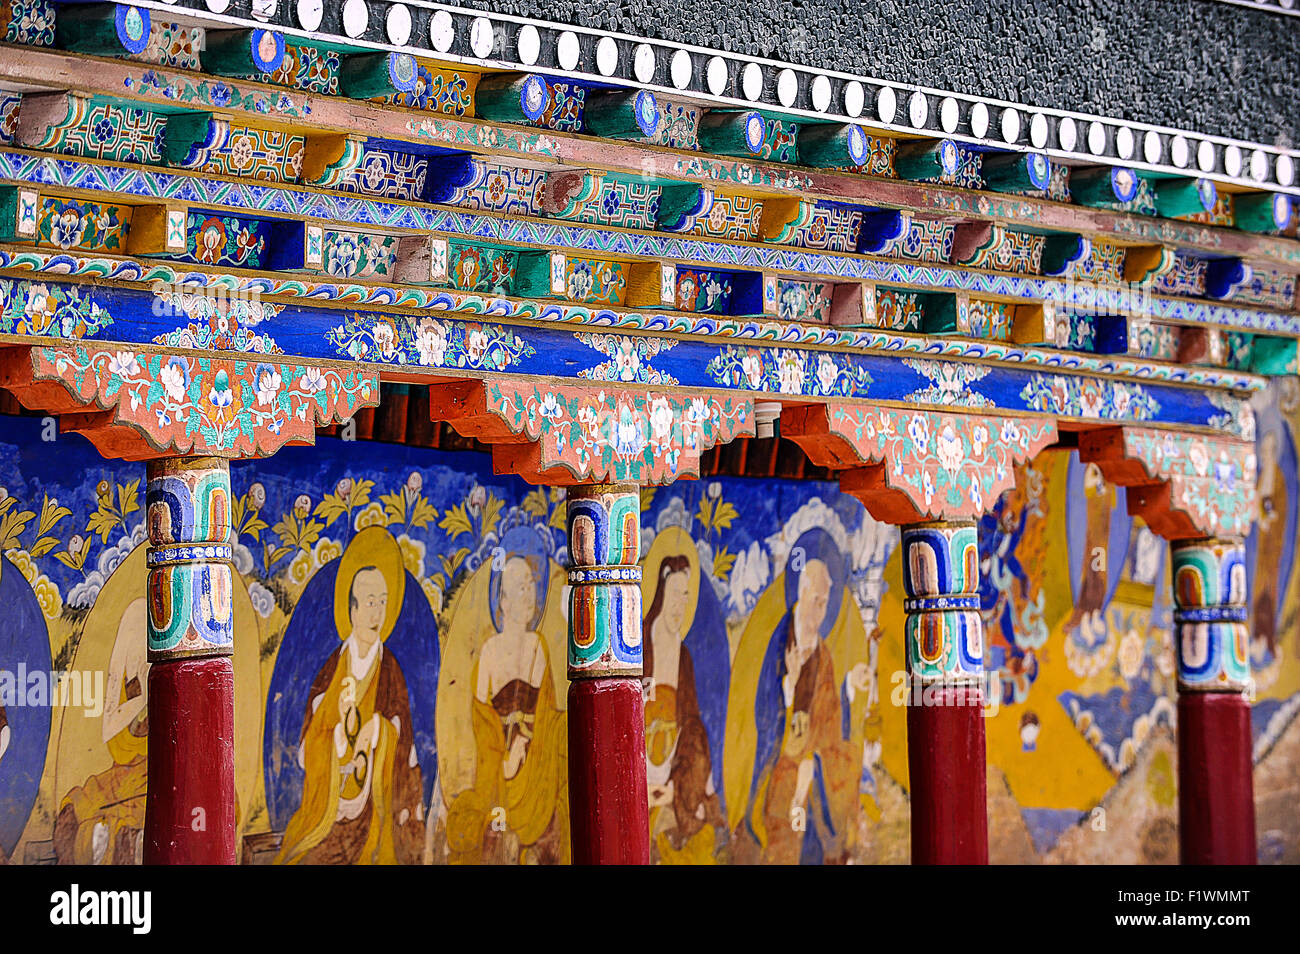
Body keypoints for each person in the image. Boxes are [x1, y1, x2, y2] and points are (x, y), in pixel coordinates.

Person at [277, 528, 423, 864]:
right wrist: (338, 732)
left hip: (372, 809)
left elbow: (408, 747)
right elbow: (306, 751)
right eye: (369, 603)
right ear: (352, 609)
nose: (377, 613)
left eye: (383, 603)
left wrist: (379, 729)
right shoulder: (332, 670)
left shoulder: (390, 671)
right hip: (327, 810)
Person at [446, 527, 567, 864]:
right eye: (518, 588)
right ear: (502, 600)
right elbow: (483, 728)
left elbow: (548, 720)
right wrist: (505, 761)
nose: (528, 595)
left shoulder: (539, 647)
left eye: (531, 585)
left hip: (537, 773)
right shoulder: (488, 653)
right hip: (498, 774)